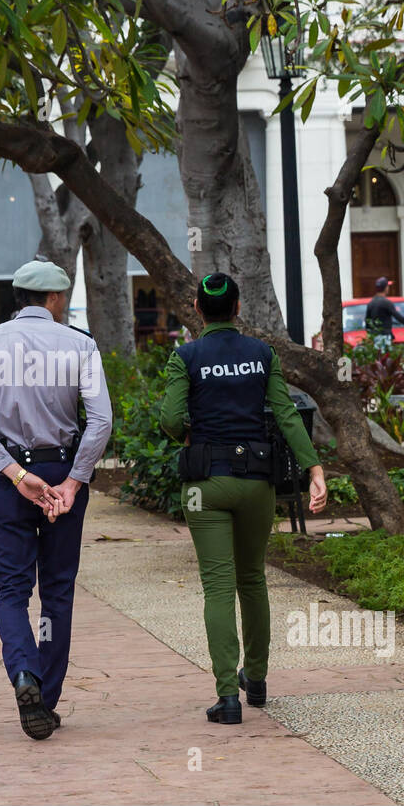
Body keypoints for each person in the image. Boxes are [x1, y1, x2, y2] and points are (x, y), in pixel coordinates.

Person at [159, 273, 328, 724]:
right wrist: (314, 468)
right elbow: (288, 415)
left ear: (197, 307)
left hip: (205, 486)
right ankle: (256, 679)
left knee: (218, 587)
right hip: (257, 482)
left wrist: (189, 428)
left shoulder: (186, 357)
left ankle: (227, 699)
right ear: (237, 308)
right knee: (252, 580)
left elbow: (171, 420)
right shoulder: (261, 355)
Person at [0, 257, 113, 741]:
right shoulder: (80, 345)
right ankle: (45, 696)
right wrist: (73, 481)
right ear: (56, 299)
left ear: (18, 296)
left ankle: (23, 672)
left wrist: (14, 472)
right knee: (58, 589)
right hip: (62, 469)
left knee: (11, 590)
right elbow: (101, 421)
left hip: (10, 480)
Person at [365, 277, 404, 348]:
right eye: (387, 286)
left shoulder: (371, 303)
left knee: (378, 356)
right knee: (385, 356)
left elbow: (367, 320)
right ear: (385, 288)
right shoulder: (387, 303)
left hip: (375, 336)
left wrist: (369, 333)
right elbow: (397, 316)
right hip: (385, 336)